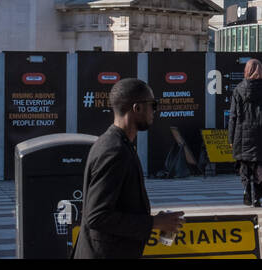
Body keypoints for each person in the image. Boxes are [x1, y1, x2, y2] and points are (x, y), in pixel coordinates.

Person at [73, 78, 183, 259]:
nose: (154, 111)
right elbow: (97, 216)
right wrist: (153, 223)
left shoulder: (118, 144)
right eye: (152, 105)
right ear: (137, 108)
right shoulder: (114, 151)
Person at [229, 58, 262, 207]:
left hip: (242, 134)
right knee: (260, 166)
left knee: (245, 166)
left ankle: (247, 190)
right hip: (261, 133)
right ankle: (257, 197)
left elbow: (233, 116)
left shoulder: (238, 89)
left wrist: (231, 138)